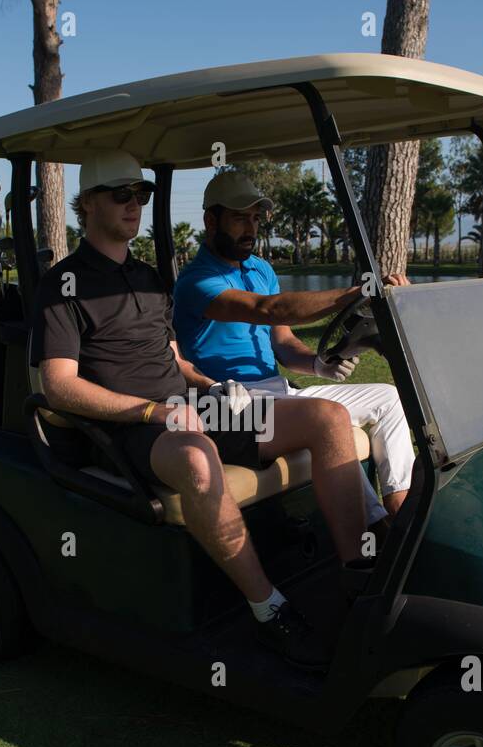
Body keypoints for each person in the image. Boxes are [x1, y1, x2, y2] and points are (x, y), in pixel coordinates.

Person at [31, 150, 367, 670]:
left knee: (327, 418)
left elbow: (174, 360)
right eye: (120, 195)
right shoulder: (64, 284)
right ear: (87, 205)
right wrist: (150, 413)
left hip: (191, 409)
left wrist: (214, 385)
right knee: (195, 458)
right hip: (132, 427)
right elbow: (57, 386)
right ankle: (269, 610)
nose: (133, 205)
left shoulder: (147, 278)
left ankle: (356, 577)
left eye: (139, 195)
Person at [173, 171, 415, 528]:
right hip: (229, 403)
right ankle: (375, 529)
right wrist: (353, 294)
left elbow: (283, 343)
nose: (250, 228)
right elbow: (267, 309)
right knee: (326, 420)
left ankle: (403, 514)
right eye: (240, 218)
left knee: (389, 398)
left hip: (277, 392)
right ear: (211, 220)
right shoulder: (196, 280)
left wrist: (318, 365)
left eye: (255, 218)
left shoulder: (260, 269)